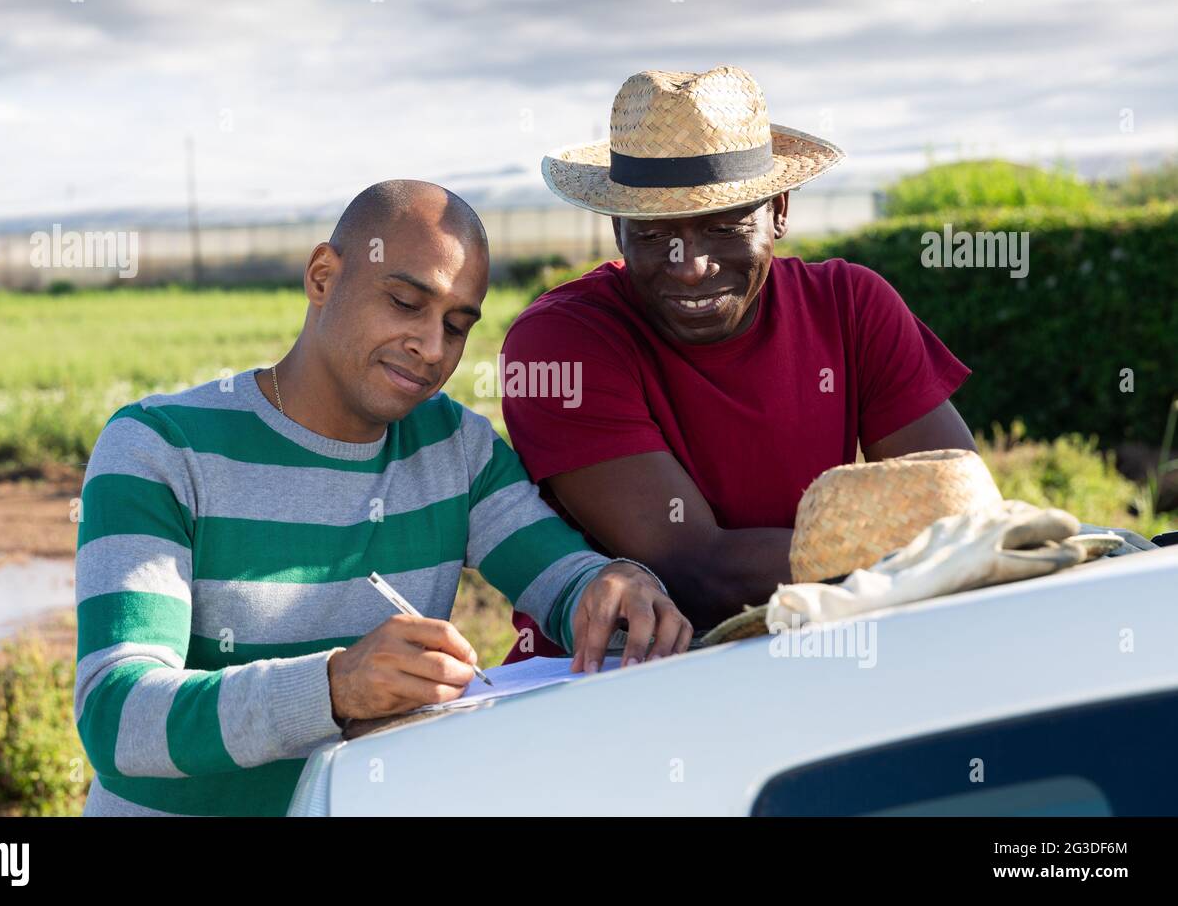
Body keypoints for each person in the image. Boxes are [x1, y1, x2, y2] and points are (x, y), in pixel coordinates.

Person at [74, 180, 691, 816]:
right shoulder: (160, 448)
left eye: (456, 327)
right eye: (404, 302)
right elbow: (117, 714)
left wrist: (613, 586)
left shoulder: (452, 445)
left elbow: (562, 579)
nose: (430, 348)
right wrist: (335, 689)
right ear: (322, 277)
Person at [499, 67, 976, 662]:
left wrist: (953, 542)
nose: (691, 266)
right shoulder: (563, 341)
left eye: (724, 228)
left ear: (777, 211)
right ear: (617, 228)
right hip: (619, 685)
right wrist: (924, 557)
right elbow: (694, 569)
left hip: (806, 645)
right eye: (654, 236)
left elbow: (955, 498)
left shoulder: (851, 306)